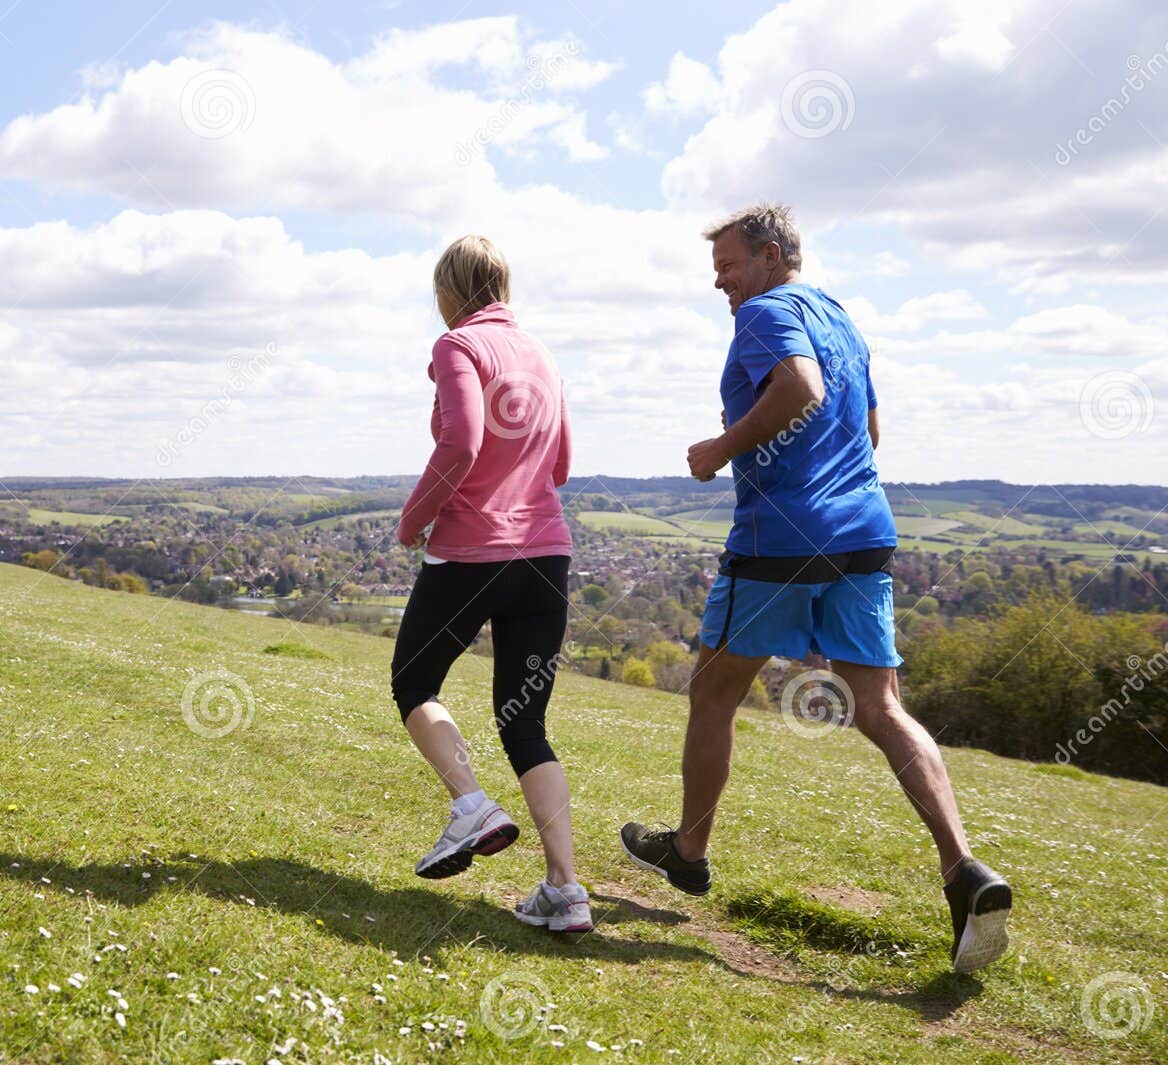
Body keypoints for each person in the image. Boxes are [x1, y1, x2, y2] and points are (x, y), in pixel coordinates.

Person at [617, 204, 1012, 972]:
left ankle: (690, 852)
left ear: (770, 256)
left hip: (780, 538)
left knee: (713, 690)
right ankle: (964, 869)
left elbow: (798, 387)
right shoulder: (841, 317)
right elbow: (866, 430)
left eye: (729, 265)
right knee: (882, 707)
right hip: (863, 531)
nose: (723, 284)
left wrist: (722, 447)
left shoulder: (767, 312)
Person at [390, 234, 589, 934]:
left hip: (475, 553)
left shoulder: (457, 347)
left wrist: (414, 520)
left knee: (414, 681)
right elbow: (560, 462)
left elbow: (463, 443)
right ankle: (566, 889)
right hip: (545, 558)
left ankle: (471, 804)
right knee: (524, 720)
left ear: (450, 290)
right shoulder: (541, 353)